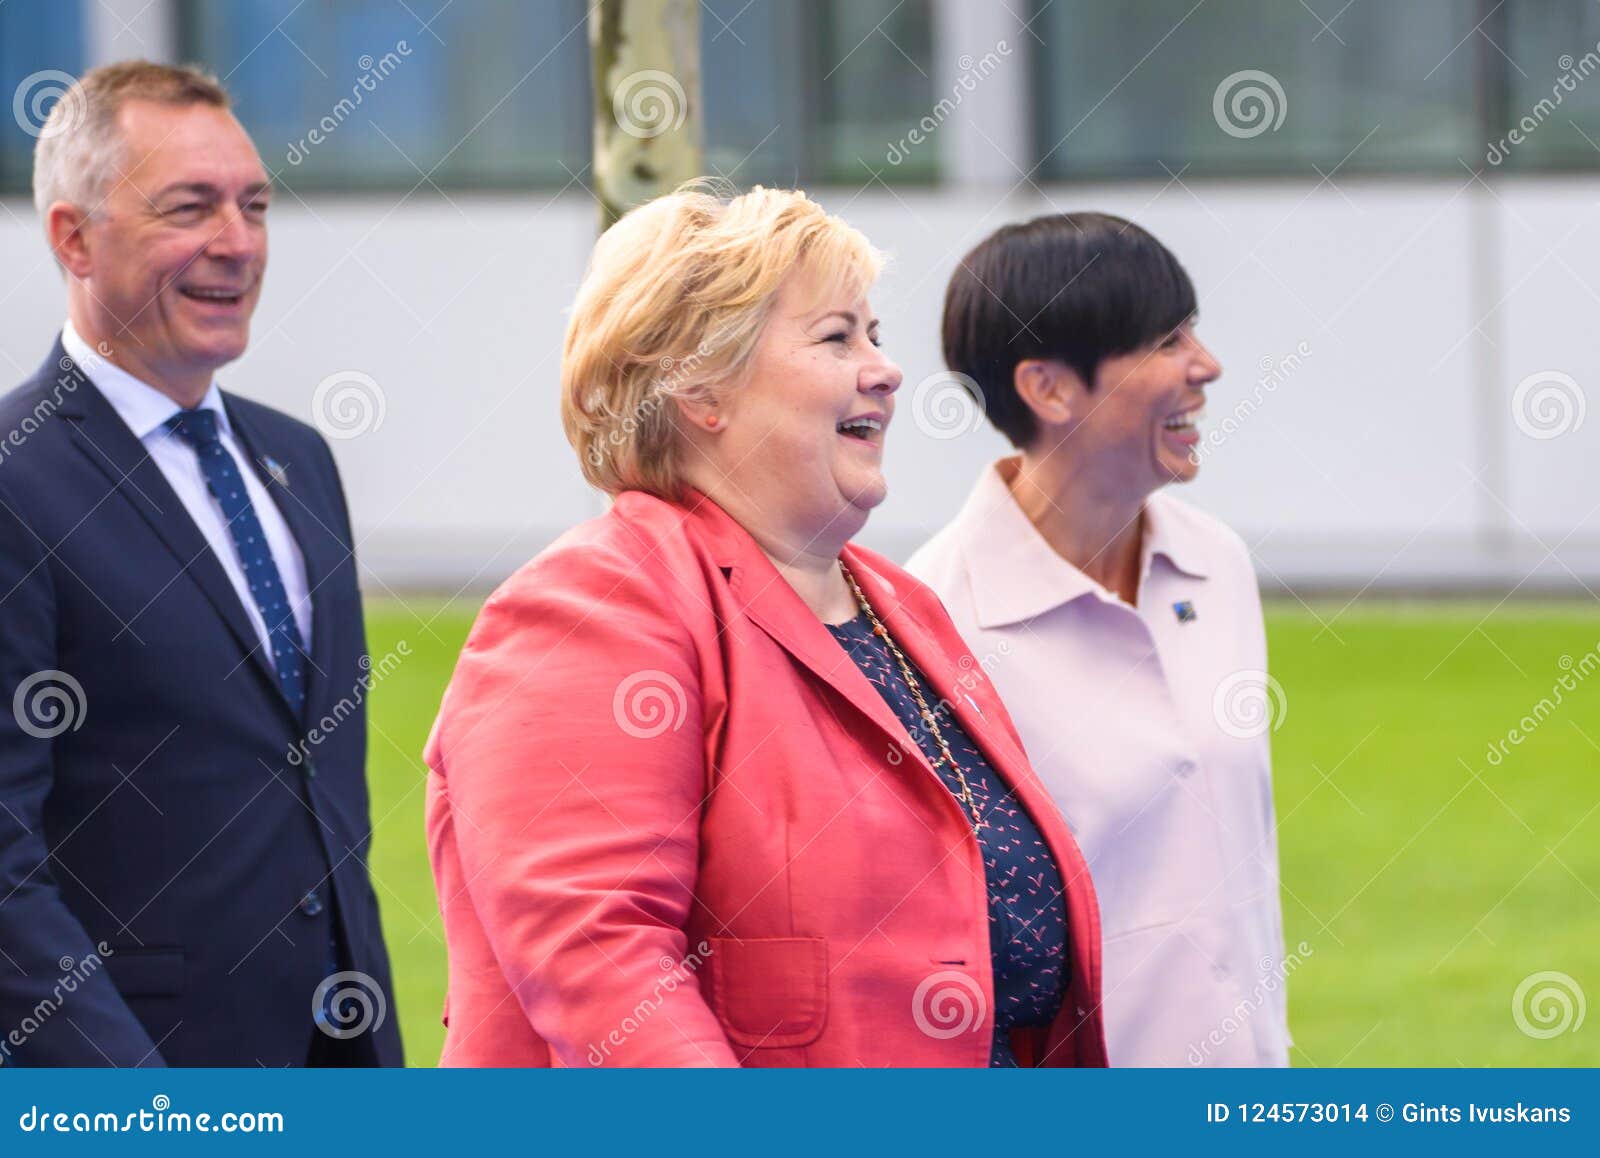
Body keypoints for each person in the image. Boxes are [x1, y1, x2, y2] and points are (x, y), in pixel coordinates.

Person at [424, 184, 1107, 1068]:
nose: (886, 369)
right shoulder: (596, 602)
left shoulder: (901, 606)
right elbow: (602, 963)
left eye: (876, 335)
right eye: (836, 337)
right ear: (701, 389)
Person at [0, 61, 400, 1067]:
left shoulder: (298, 461)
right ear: (73, 237)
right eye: (190, 207)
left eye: (254, 205)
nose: (237, 242)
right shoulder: (16, 479)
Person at [908, 212, 1291, 1066]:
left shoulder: (1214, 563)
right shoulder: (933, 621)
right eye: (1165, 340)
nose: (1207, 365)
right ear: (1049, 389)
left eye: (1193, 330)